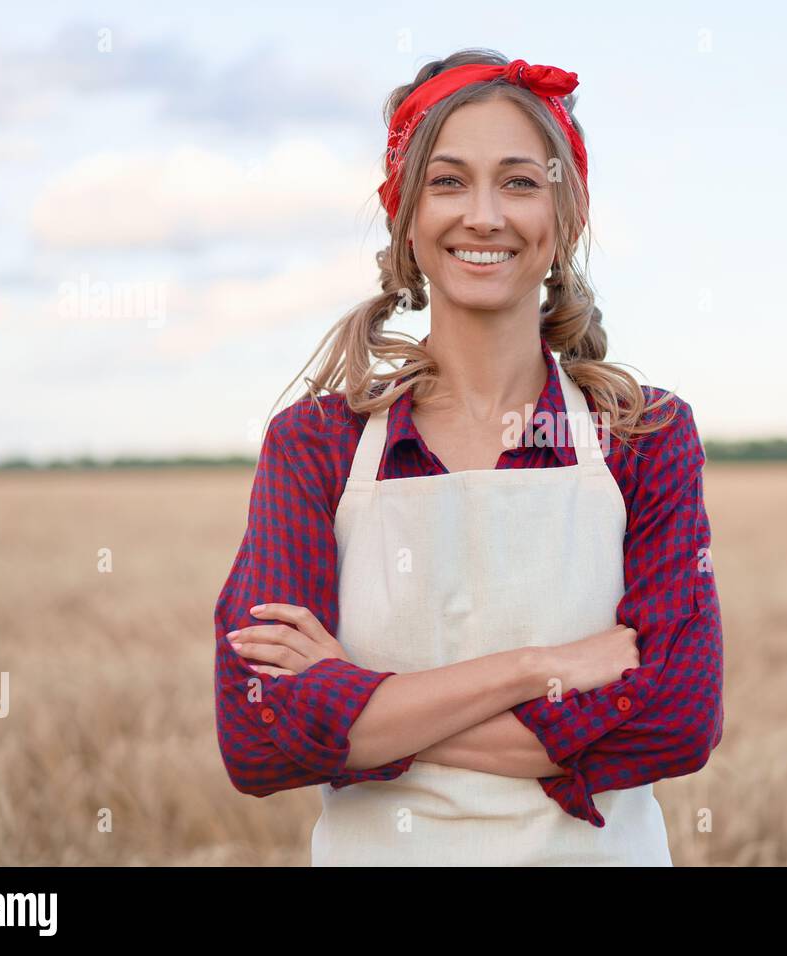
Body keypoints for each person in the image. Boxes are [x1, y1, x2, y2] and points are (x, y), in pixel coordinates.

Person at [213, 48, 724, 866]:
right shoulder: (316, 445)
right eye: (449, 182)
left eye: (520, 182)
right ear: (406, 219)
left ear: (567, 219)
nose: (483, 215)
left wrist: (352, 707)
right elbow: (258, 736)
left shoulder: (645, 436)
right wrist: (542, 668)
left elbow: (678, 719)